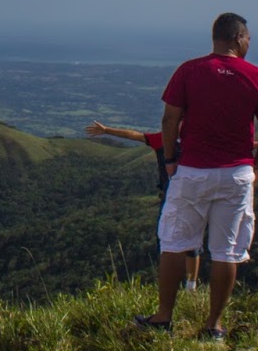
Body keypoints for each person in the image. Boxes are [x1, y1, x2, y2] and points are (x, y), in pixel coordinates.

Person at [134, 13, 258, 341]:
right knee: (226, 250)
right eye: (248, 40)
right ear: (238, 38)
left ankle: (163, 317)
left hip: (193, 172)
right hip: (237, 175)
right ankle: (213, 325)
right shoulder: (257, 76)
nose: (248, 44)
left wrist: (170, 159)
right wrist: (257, 167)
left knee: (173, 243)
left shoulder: (189, 70)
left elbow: (170, 119)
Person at [83, 121, 202, 289]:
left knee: (169, 242)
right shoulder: (196, 141)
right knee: (189, 243)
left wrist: (106, 130)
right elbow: (134, 135)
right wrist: (107, 130)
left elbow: (136, 135)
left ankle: (178, 286)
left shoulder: (164, 139)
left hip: (173, 199)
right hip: (189, 198)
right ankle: (189, 285)